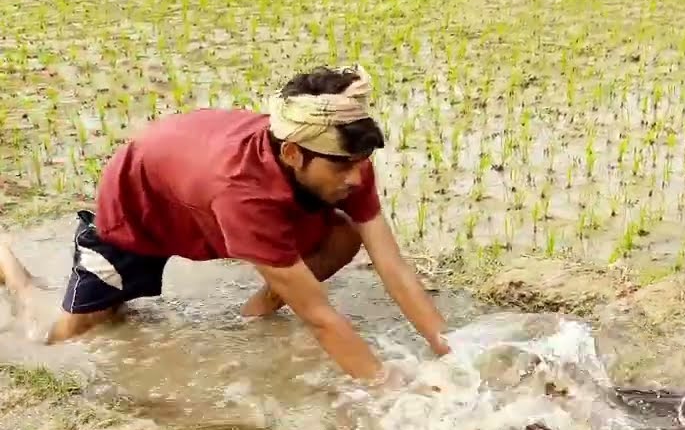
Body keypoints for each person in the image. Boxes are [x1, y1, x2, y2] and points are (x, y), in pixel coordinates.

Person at [0, 65, 449, 387]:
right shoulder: (244, 195)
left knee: (344, 234)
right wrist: (391, 390)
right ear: (293, 152)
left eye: (362, 163)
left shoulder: (341, 160)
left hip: (202, 190)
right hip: (142, 204)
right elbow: (320, 318)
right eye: (344, 166)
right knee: (69, 332)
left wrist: (450, 355)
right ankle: (14, 274)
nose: (358, 176)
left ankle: (250, 321)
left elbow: (393, 264)